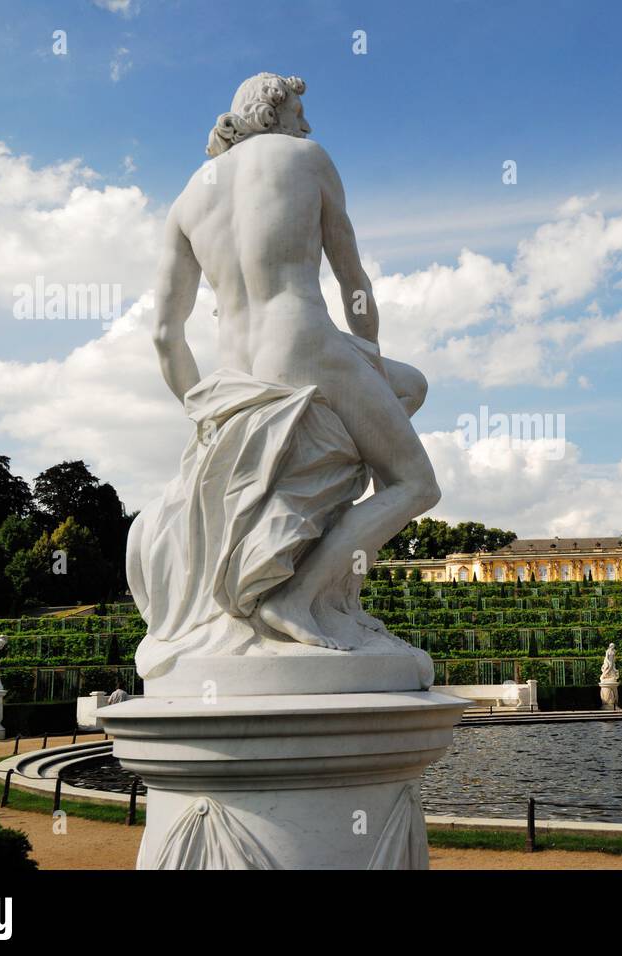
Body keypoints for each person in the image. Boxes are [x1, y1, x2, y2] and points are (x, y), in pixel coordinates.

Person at [150, 72, 439, 651]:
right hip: (304, 341)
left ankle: (338, 589)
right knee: (413, 483)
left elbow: (164, 334)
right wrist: (370, 364)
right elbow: (354, 283)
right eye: (299, 112)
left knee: (411, 386)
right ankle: (298, 595)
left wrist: (205, 417)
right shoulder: (306, 157)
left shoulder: (186, 199)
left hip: (235, 374)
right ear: (271, 114)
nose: (305, 124)